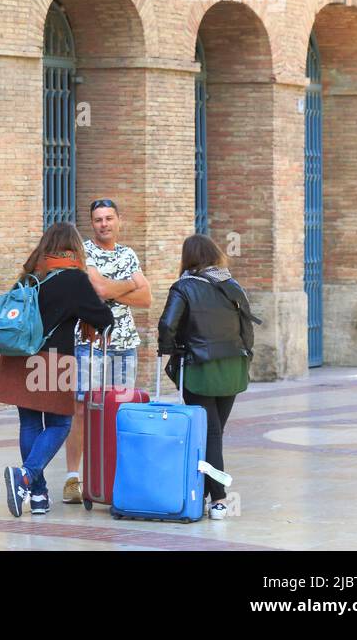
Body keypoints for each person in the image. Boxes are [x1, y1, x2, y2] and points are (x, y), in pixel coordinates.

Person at [0, 222, 116, 518]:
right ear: (74, 247)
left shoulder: (31, 273)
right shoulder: (75, 278)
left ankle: (38, 496)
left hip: (18, 358)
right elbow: (104, 318)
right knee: (60, 424)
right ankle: (25, 476)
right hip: (53, 361)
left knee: (30, 425)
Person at [157, 234, 261, 520]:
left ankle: (218, 499)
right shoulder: (231, 285)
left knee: (210, 434)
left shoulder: (184, 287)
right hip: (233, 368)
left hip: (200, 369)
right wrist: (245, 356)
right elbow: (247, 330)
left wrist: (169, 348)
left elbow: (167, 324)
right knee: (214, 433)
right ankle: (202, 491)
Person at [63, 198, 152, 504]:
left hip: (124, 345)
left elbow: (146, 298)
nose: (104, 224)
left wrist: (111, 289)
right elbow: (98, 290)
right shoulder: (84, 253)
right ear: (92, 223)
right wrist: (129, 283)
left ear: (118, 220)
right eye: (98, 219)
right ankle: (72, 479)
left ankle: (114, 476)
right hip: (90, 343)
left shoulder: (128, 253)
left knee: (121, 410)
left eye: (109, 218)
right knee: (81, 408)